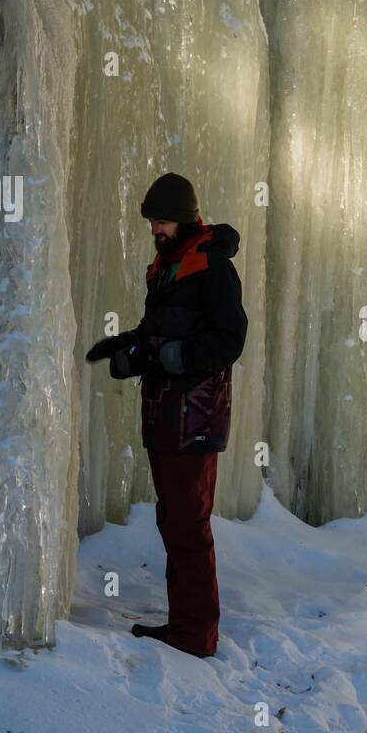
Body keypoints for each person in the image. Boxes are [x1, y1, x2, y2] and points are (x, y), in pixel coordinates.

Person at [86, 172, 247, 657]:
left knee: (188, 525)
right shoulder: (166, 267)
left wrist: (161, 357)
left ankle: (196, 634)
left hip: (195, 419)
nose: (155, 229)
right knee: (174, 522)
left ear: (185, 219)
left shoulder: (213, 268)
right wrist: (126, 345)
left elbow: (228, 340)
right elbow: (156, 330)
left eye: (161, 221)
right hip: (166, 417)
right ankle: (184, 624)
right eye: (152, 221)